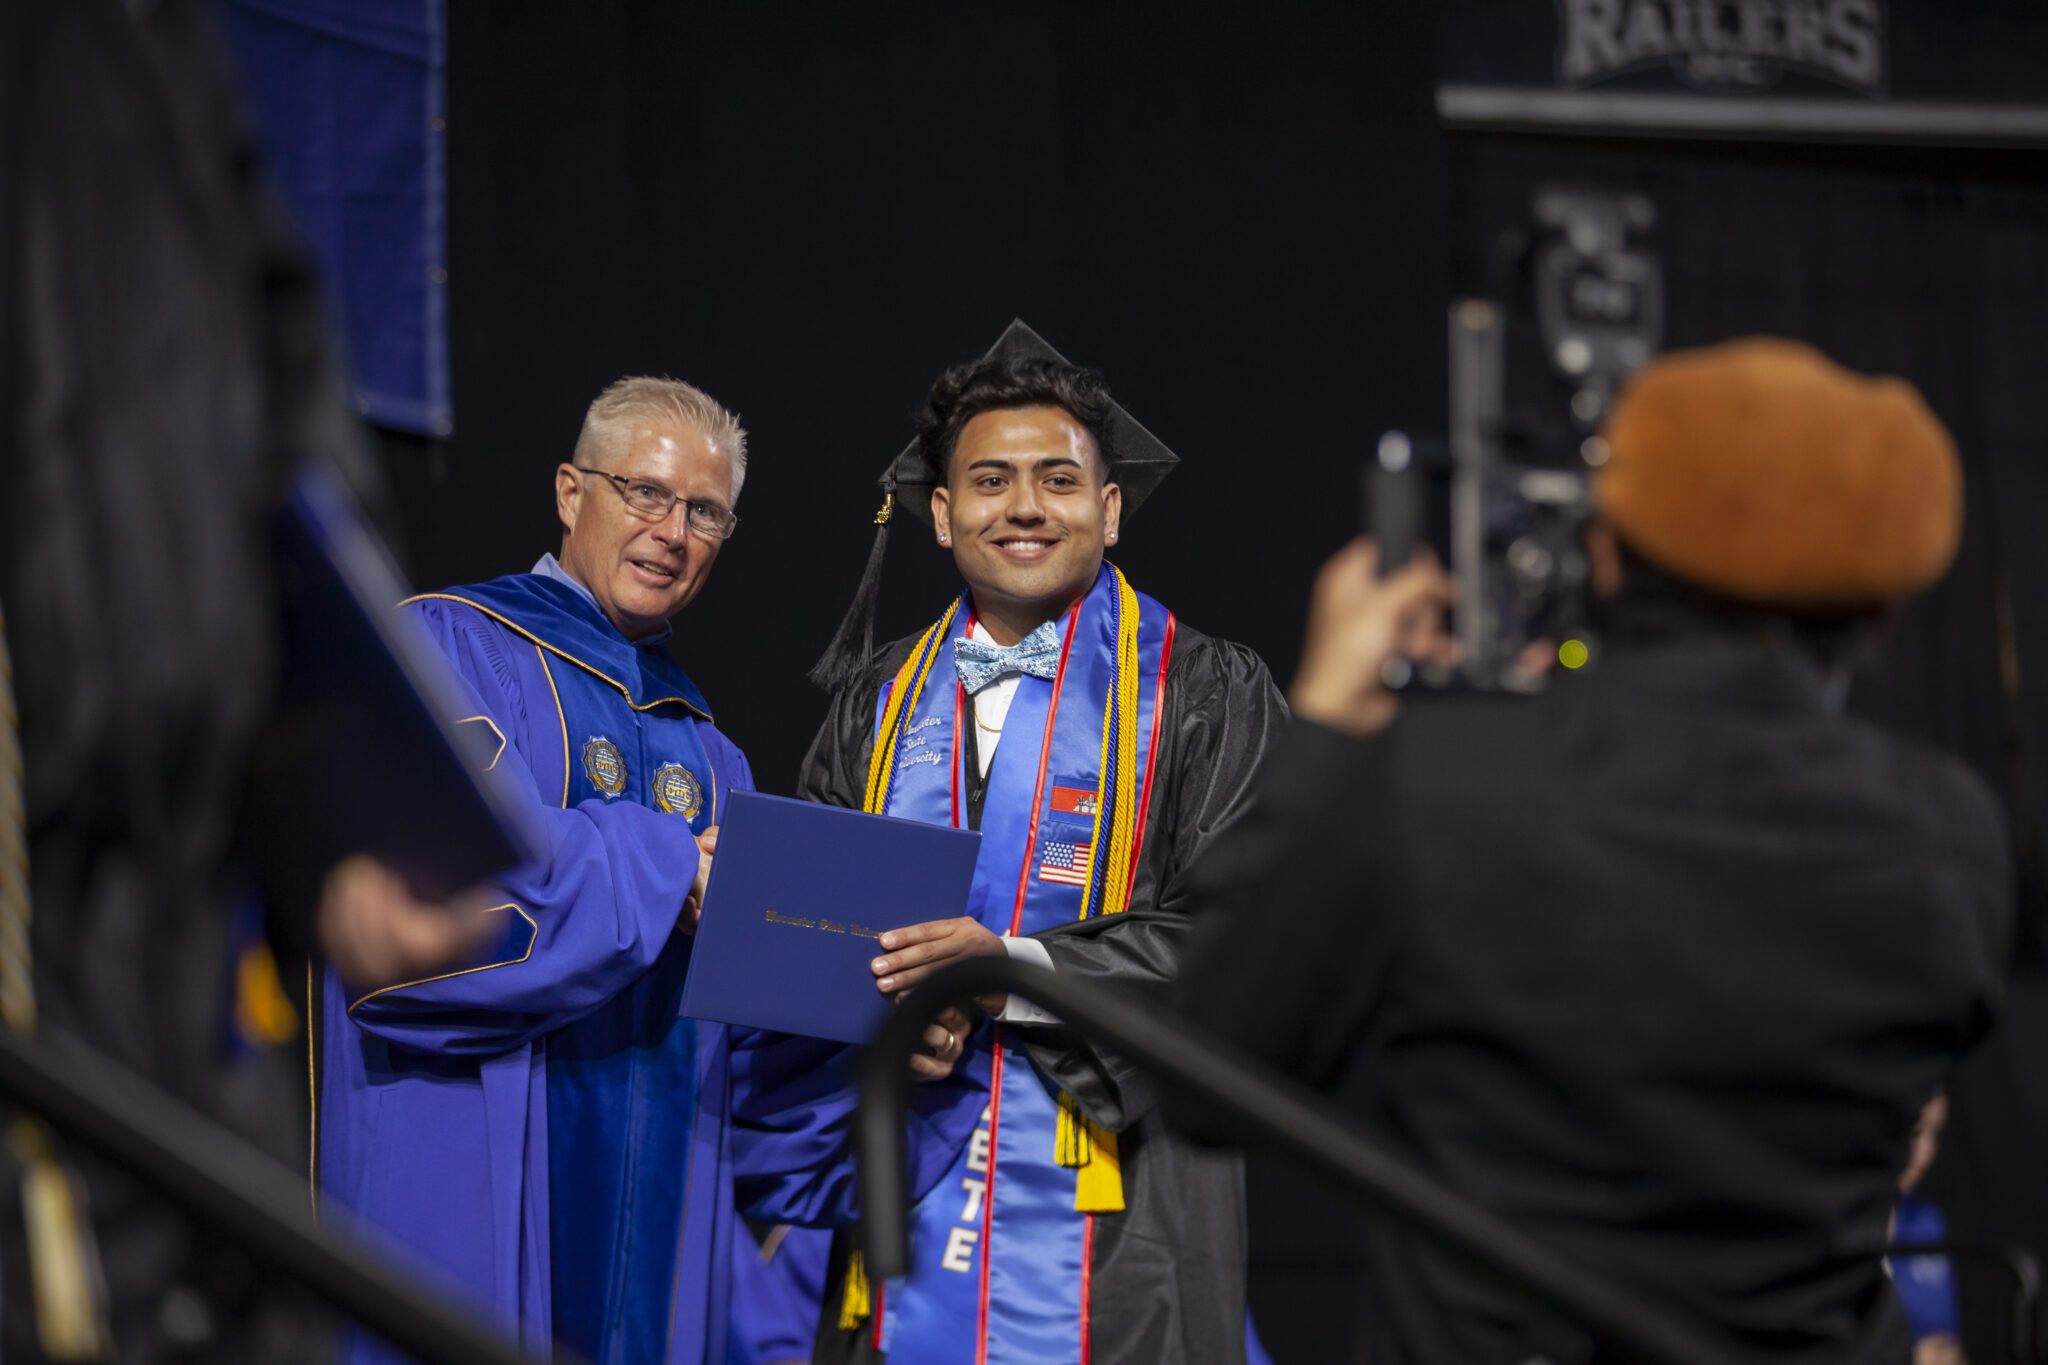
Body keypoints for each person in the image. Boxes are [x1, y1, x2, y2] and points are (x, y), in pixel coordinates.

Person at [1175, 337, 2012, 1363]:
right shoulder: (1949, 831)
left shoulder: (1441, 780)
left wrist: (1320, 731)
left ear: (1606, 551)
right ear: (1880, 611)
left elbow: (1200, 1076)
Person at [316, 377, 967, 1365]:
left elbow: (737, 1066)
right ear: (572, 492)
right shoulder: (446, 648)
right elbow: (422, 919)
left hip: (653, 1247)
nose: (672, 531)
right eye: (645, 494)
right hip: (461, 1180)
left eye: (705, 513)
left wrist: (877, 1043)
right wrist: (670, 871)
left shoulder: (712, 757)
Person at [794, 322, 1288, 1364]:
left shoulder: (1203, 692)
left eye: (1057, 480)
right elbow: (812, 935)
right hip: (901, 1197)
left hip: (1123, 1221)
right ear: (940, 513)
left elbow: (1253, 945)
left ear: (1108, 511)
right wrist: (867, 1017)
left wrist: (1013, 973)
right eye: (989, 481)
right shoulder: (872, 705)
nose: (1022, 507)